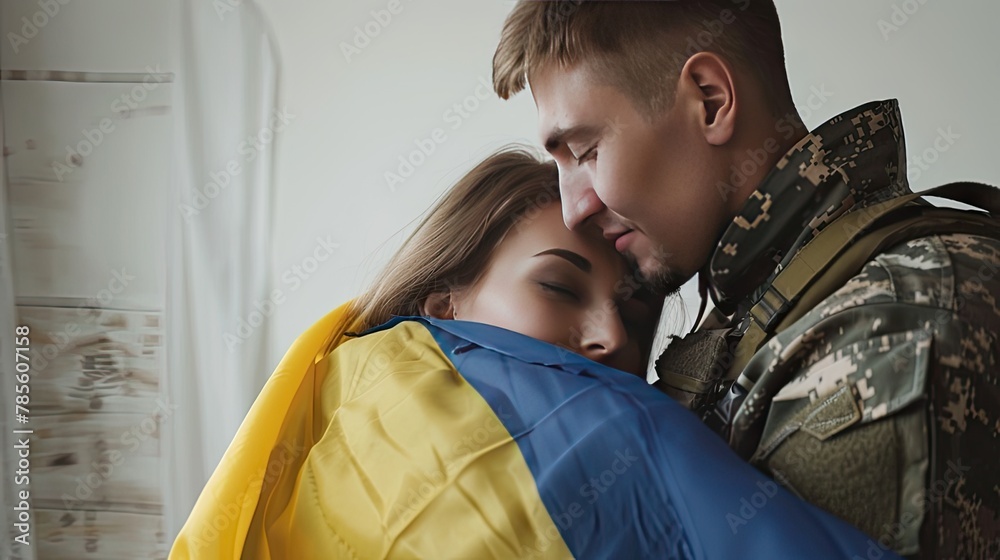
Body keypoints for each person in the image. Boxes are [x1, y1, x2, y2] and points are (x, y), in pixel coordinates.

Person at [169, 148, 888, 559]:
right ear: (444, 304)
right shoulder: (368, 386)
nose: (610, 336)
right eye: (559, 287)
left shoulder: (646, 428)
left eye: (637, 311)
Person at [493, 2, 1000, 558]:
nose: (573, 210)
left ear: (710, 101)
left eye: (587, 152)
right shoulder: (764, 301)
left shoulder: (887, 336)